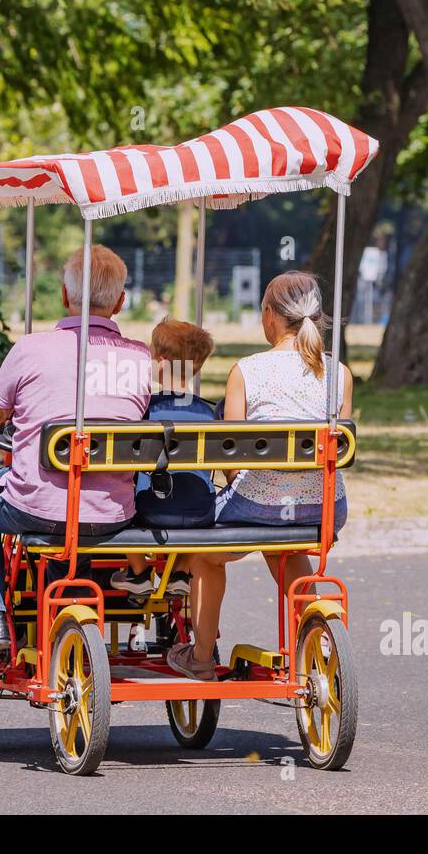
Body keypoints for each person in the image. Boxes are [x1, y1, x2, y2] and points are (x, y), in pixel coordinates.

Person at [0, 245, 151, 652]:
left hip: (36, 510)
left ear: (64, 296)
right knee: (78, 499)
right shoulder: (141, 359)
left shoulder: (30, 349)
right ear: (120, 302)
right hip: (114, 515)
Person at [167, 271, 354, 680]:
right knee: (284, 544)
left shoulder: (248, 370)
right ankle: (316, 636)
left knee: (206, 554)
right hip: (324, 507)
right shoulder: (339, 372)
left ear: (269, 315)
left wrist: (238, 484)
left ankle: (200, 658)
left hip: (258, 506)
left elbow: (231, 456)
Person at [111, 318, 217, 600]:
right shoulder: (209, 413)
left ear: (162, 360)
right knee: (199, 494)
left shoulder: (145, 410)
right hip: (201, 514)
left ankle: (139, 572)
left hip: (151, 509)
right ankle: (180, 571)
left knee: (116, 499)